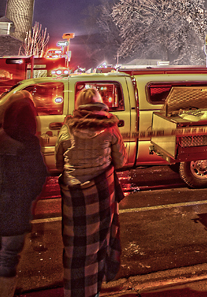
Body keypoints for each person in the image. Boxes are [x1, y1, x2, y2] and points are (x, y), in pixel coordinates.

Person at [0, 91, 48, 297]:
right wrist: (28, 199)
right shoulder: (29, 143)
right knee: (8, 259)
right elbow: (38, 178)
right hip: (15, 210)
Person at [56, 88, 127, 297]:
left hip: (73, 194)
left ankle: (74, 290)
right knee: (99, 242)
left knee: (75, 245)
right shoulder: (110, 127)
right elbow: (121, 160)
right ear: (101, 103)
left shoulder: (67, 126)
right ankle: (94, 290)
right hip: (101, 194)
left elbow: (58, 160)